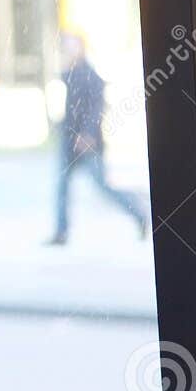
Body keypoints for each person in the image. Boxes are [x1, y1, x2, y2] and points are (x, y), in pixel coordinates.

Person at [45, 32, 149, 246]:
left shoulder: (91, 76)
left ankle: (139, 214)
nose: (67, 51)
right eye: (65, 47)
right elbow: (65, 107)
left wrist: (88, 133)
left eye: (71, 46)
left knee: (102, 186)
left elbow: (95, 109)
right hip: (69, 141)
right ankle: (61, 232)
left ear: (81, 48)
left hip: (87, 143)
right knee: (62, 186)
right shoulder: (66, 74)